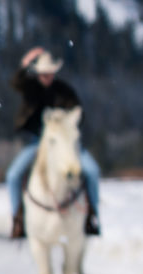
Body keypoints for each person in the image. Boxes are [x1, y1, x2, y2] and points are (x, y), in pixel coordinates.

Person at [5, 47, 101, 239]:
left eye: (49, 73)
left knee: (92, 171)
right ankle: (18, 219)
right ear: (38, 73)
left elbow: (78, 114)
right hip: (37, 142)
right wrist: (26, 63)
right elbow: (15, 82)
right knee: (13, 175)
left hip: (65, 143)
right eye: (43, 73)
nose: (46, 77)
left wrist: (65, 122)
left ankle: (91, 216)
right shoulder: (30, 88)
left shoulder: (64, 91)